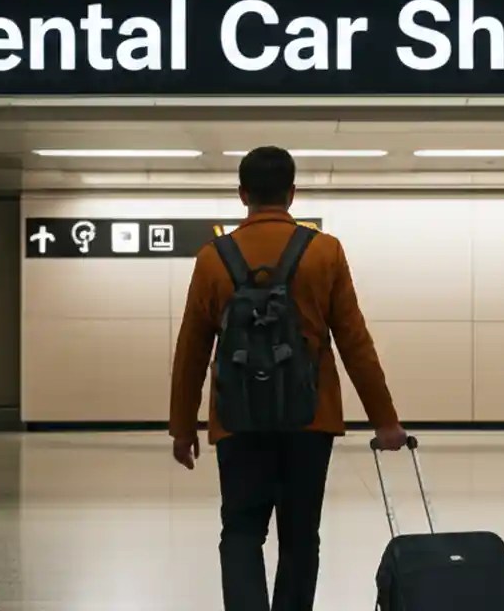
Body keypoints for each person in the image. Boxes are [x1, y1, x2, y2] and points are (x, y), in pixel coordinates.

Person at [169, 146, 407, 611]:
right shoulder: (324, 252)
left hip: (237, 419)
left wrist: (183, 427)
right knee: (300, 537)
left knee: (240, 531)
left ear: (242, 195)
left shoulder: (213, 258)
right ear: (292, 194)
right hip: (309, 419)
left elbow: (192, 350)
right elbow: (355, 342)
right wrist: (385, 420)